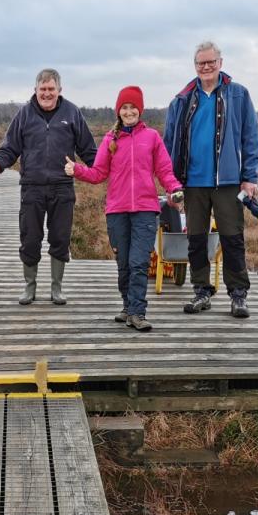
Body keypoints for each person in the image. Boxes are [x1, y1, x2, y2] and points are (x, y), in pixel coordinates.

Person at [65, 86, 182, 331]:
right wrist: (76, 169)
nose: (129, 112)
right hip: (117, 210)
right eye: (124, 108)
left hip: (145, 210)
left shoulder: (152, 137)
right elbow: (98, 174)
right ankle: (128, 306)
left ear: (140, 110)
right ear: (119, 111)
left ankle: (138, 312)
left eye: (133, 107)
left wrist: (174, 188)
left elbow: (164, 170)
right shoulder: (110, 139)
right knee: (124, 264)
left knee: (139, 262)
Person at [162, 41, 258, 318]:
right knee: (195, 239)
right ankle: (201, 291)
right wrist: (171, 183)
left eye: (211, 62)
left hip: (228, 182)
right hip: (191, 183)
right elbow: (168, 144)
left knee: (232, 239)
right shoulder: (182, 100)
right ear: (195, 66)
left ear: (220, 62)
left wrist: (249, 177)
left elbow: (251, 138)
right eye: (200, 63)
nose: (206, 67)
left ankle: (238, 295)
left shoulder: (238, 95)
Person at [0, 69, 97, 305]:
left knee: (60, 238)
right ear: (35, 90)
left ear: (59, 90)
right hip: (32, 188)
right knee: (30, 238)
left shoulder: (72, 113)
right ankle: (30, 286)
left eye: (51, 89)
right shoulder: (24, 114)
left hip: (62, 187)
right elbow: (10, 147)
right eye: (42, 89)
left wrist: (103, 169)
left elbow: (88, 150)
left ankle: (57, 287)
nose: (47, 93)